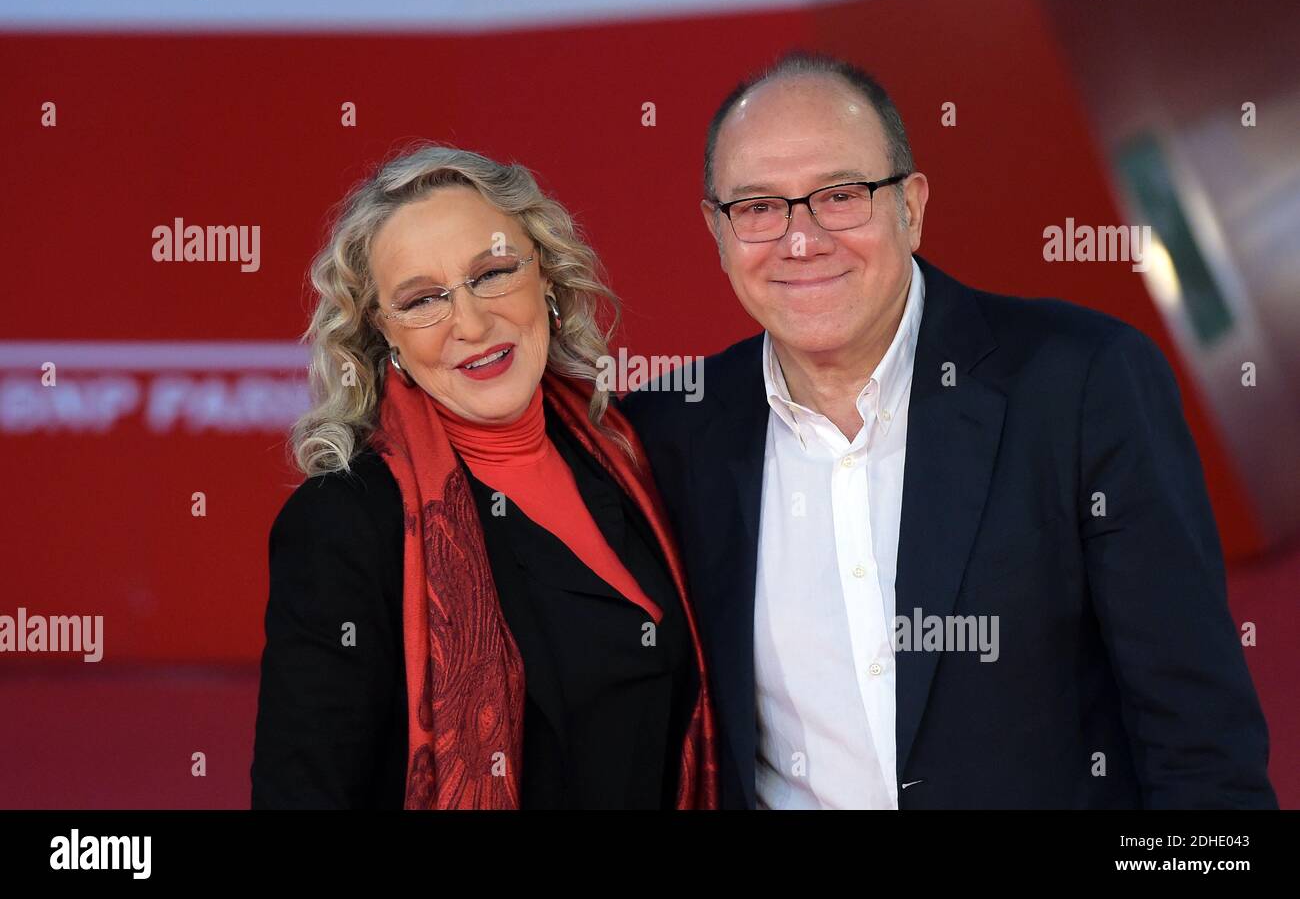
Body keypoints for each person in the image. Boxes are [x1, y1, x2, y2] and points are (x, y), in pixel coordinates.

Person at [620, 51, 1276, 809]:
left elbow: (1199, 739)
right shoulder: (668, 434)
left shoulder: (1082, 384)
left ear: (912, 206)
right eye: (759, 207)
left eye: (840, 195)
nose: (799, 240)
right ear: (717, 229)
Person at [251, 144, 718, 809]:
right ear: (385, 336)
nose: (469, 323)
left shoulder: (628, 457)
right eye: (422, 300)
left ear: (547, 279)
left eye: (493, 273)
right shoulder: (345, 525)